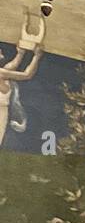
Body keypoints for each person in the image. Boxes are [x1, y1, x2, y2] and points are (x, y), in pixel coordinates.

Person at [0, 14, 44, 148]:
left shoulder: (3, 72)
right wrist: (37, 57)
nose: (1, 51)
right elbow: (26, 75)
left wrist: (21, 52)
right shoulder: (1, 73)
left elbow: (11, 67)